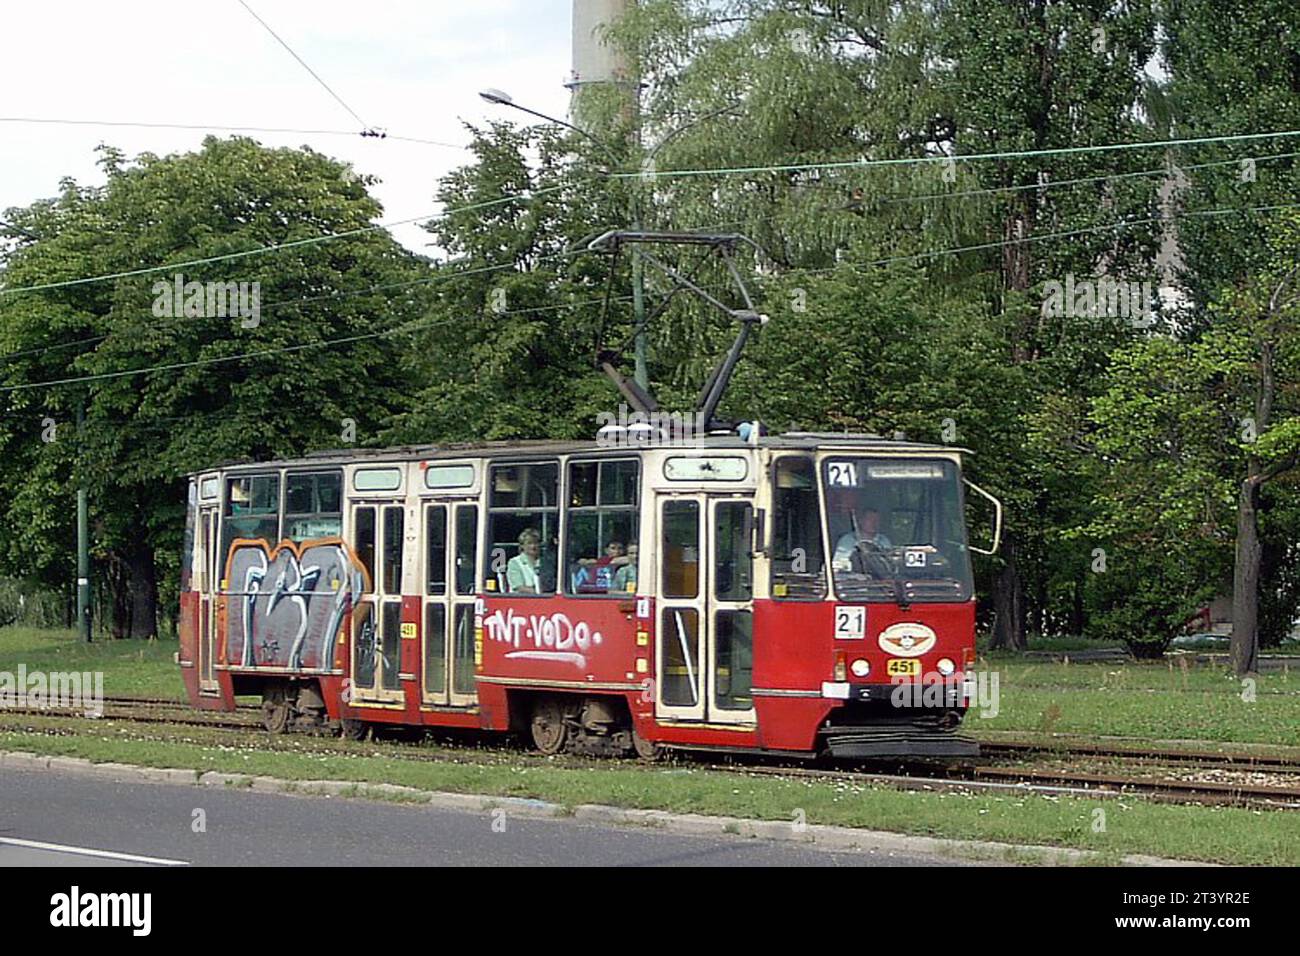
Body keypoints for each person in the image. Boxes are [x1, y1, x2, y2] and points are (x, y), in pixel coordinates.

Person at [832, 505, 893, 571]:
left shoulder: (884, 541)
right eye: (870, 519)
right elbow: (838, 565)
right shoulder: (847, 540)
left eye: (877, 520)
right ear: (860, 521)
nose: (874, 522)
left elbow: (890, 564)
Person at [506, 528, 543, 593]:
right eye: (529, 543)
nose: (533, 546)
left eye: (536, 543)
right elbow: (519, 587)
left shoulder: (545, 562)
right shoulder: (514, 563)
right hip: (522, 599)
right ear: (522, 546)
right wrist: (539, 592)